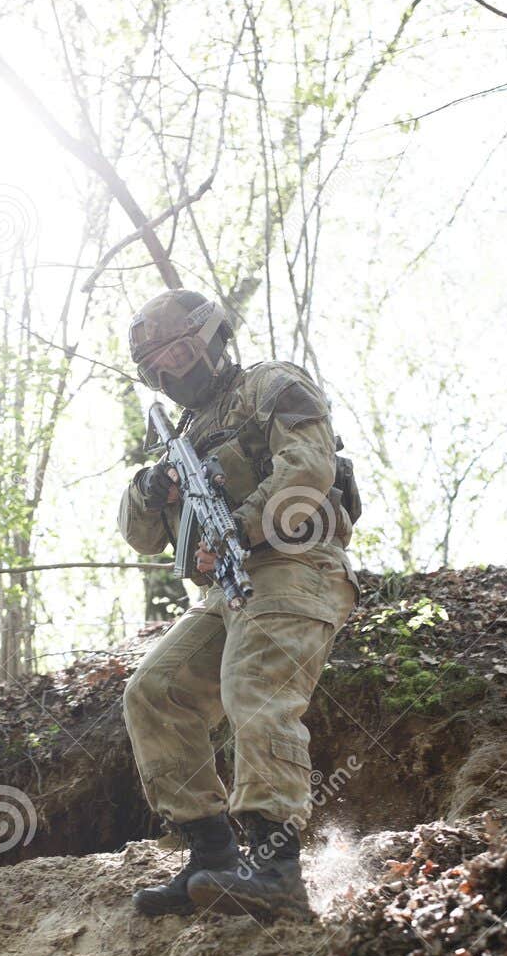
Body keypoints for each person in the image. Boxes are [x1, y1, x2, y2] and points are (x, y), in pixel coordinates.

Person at [118, 288, 359, 920]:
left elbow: (308, 470)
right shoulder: (182, 435)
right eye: (154, 365)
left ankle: (277, 868)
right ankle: (211, 858)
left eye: (177, 350)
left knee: (253, 684)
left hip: (297, 567)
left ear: (211, 337)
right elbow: (141, 535)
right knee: (155, 690)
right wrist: (151, 488)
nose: (168, 370)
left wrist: (241, 525)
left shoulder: (271, 386)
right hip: (227, 587)